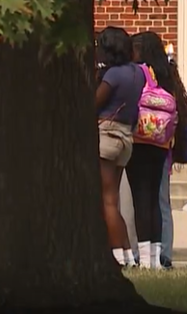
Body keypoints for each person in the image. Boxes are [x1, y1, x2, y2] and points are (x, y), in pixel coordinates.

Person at [128, 32, 187, 268]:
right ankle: (164, 254)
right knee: (160, 200)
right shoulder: (168, 74)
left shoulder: (140, 73)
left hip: (143, 141)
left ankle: (147, 255)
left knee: (145, 200)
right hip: (163, 144)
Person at [95, 26, 144, 267]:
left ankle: (116, 254)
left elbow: (94, 103)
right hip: (126, 136)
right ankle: (127, 253)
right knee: (113, 198)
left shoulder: (112, 75)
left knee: (107, 200)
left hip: (107, 134)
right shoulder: (137, 73)